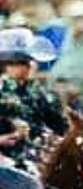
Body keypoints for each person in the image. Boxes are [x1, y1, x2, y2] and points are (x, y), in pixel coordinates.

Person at [0, 28, 65, 170]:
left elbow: (60, 126)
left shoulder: (38, 93)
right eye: (22, 62)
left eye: (30, 62)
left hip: (37, 158)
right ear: (6, 65)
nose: (29, 67)